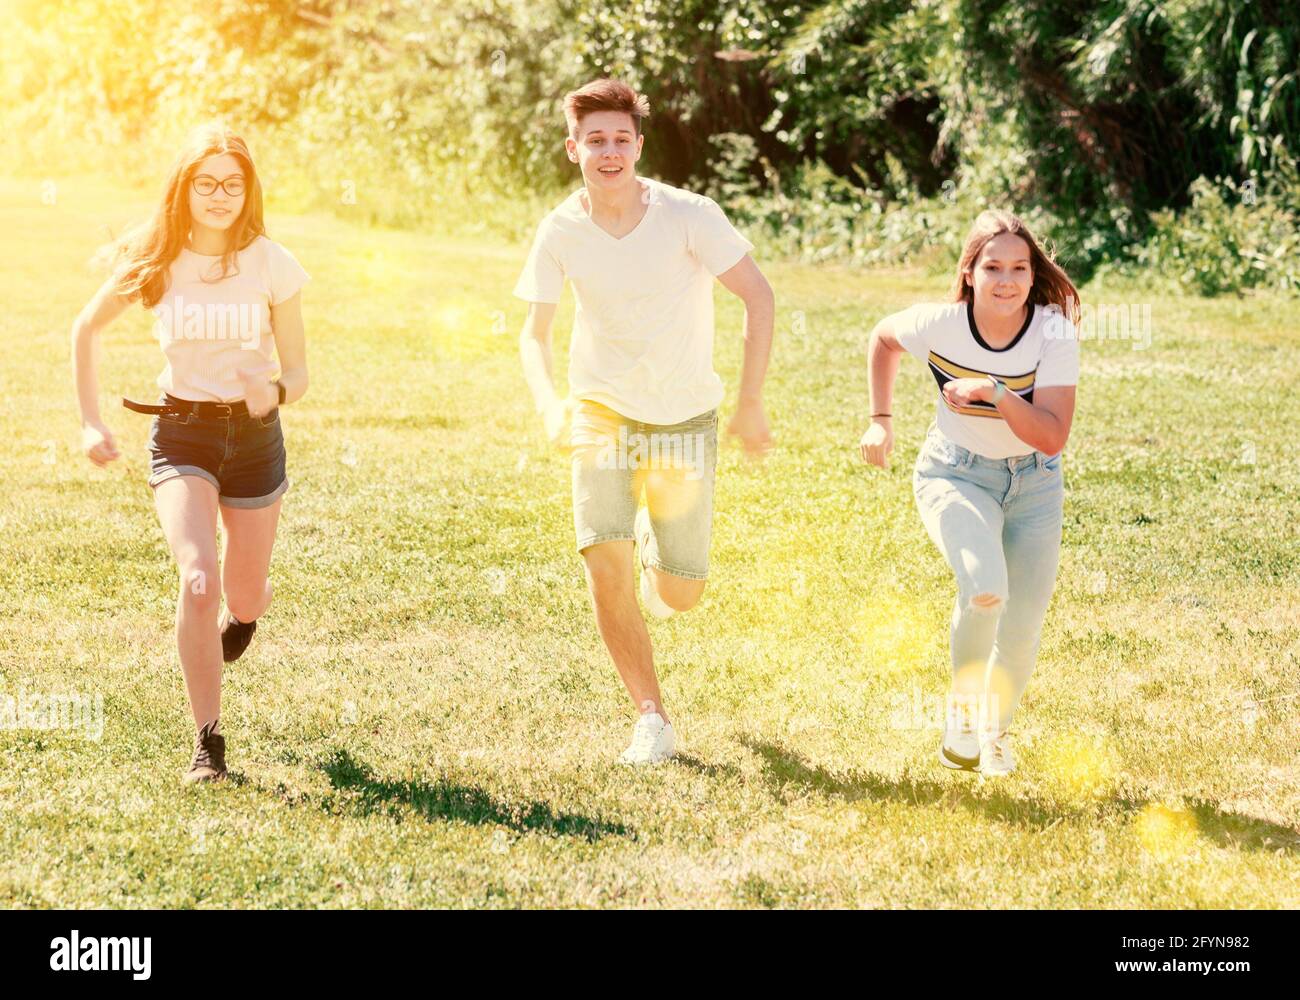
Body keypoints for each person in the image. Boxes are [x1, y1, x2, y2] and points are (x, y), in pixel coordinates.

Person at [515, 78, 775, 764]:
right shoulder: (561, 229)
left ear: (637, 146)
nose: (609, 152)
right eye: (594, 140)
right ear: (574, 149)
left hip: (684, 416)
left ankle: (661, 555)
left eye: (620, 139)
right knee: (605, 563)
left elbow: (758, 295)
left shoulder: (689, 215)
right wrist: (552, 405)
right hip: (599, 410)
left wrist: (749, 401)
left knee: (681, 595)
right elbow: (533, 334)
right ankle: (651, 717)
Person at [71, 123, 310, 783]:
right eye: (205, 183)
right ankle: (208, 745)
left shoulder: (271, 262)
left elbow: (300, 373)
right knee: (198, 579)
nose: (219, 195)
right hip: (182, 434)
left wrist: (276, 391)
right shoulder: (160, 259)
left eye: (232, 184)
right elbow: (85, 327)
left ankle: (245, 615)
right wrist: (91, 423)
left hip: (256, 440)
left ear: (247, 190)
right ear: (184, 188)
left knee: (246, 592)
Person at [859, 209, 1080, 776]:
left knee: (1024, 622)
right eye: (992, 267)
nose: (1006, 280)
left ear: (1033, 276)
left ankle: (996, 733)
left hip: (1035, 483)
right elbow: (883, 338)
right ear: (969, 273)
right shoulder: (941, 324)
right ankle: (960, 713)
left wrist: (996, 392)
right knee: (985, 589)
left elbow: (1052, 434)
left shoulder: (1052, 331)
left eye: (1019, 268)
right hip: (953, 473)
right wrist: (881, 418)